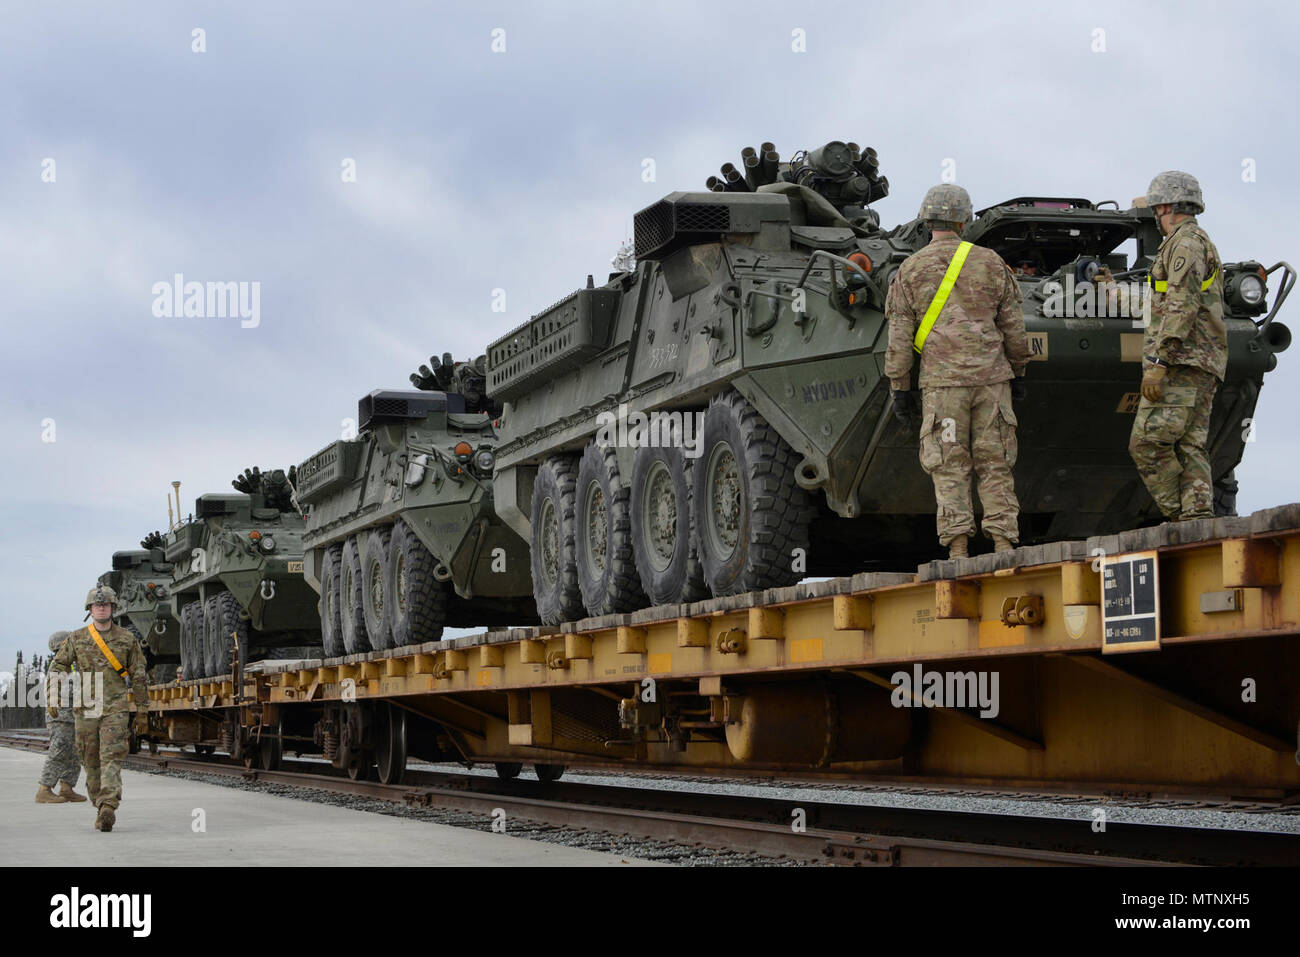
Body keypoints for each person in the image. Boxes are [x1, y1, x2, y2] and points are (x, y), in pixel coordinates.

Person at [885, 184, 1029, 559]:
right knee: (995, 462)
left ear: (926, 219)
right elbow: (1014, 327)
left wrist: (900, 387)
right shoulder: (991, 263)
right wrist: (1020, 371)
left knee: (949, 464)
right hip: (992, 383)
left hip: (943, 387)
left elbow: (899, 337)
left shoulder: (911, 269)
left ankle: (958, 547)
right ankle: (1003, 541)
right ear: (964, 220)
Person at [1128, 171, 1225, 522]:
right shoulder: (1197, 241)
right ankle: (1197, 515)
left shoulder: (1184, 243)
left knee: (1147, 444)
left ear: (1166, 206)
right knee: (1190, 444)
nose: (1155, 216)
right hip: (1203, 361)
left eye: (1156, 209)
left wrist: (1159, 361)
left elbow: (1181, 303)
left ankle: (1179, 515)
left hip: (1181, 362)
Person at [47, 585, 151, 832]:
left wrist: (143, 709)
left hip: (115, 708)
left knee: (111, 758)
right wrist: (53, 695)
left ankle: (108, 805)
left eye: (105, 605)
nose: (101, 608)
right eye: (97, 605)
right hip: (86, 710)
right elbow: (58, 665)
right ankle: (99, 804)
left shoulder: (127, 639)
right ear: (90, 609)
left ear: (112, 608)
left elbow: (138, 675)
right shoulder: (77, 638)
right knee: (90, 761)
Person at [35, 631, 87, 805]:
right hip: (60, 717)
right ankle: (44, 789)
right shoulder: (58, 665)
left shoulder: (72, 664)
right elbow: (64, 689)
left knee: (74, 754)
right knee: (59, 751)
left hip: (73, 717)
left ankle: (67, 788)